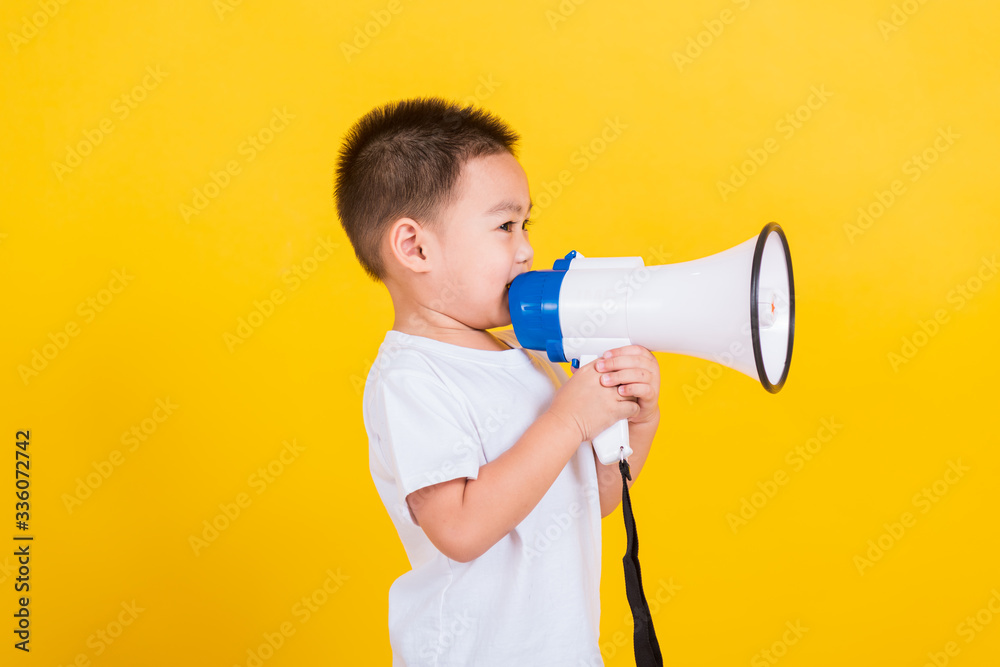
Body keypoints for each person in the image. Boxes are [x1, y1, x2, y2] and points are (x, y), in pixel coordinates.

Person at [334, 96, 661, 666]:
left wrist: (635, 418)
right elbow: (459, 529)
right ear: (415, 247)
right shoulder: (412, 379)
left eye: (526, 223)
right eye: (505, 225)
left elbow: (591, 500)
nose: (528, 248)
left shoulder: (525, 357)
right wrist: (569, 418)